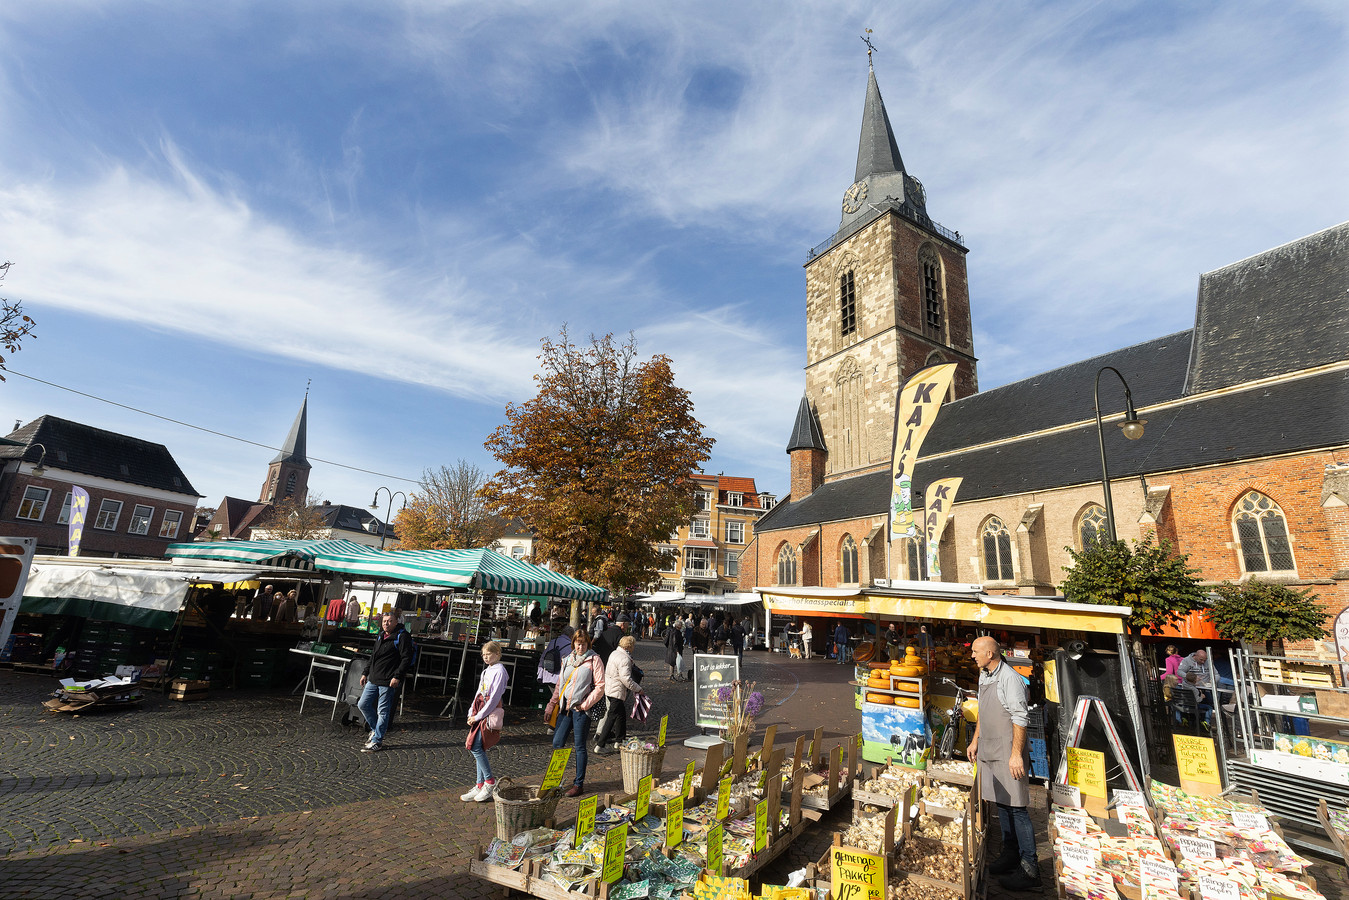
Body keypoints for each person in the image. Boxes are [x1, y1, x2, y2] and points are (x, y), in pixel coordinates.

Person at [967, 636, 1039, 891]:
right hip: (990, 749)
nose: (972, 655)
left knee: (1018, 808)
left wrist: (1016, 754)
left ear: (990, 653)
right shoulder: (985, 675)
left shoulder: (1010, 679)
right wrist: (975, 741)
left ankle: (1030, 868)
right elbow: (984, 714)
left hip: (1008, 752)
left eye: (976, 652)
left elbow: (1020, 717)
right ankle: (1010, 854)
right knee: (1002, 805)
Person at [545, 630, 605, 796]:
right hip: (565, 709)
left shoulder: (594, 660)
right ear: (573, 643)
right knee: (557, 743)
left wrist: (585, 704)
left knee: (579, 747)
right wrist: (551, 704)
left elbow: (600, 686)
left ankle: (578, 784)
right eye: (578, 643)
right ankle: (555, 780)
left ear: (588, 644)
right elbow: (560, 684)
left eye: (583, 643)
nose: (580, 646)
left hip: (581, 711)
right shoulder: (567, 659)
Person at [357, 612, 416, 753]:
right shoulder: (380, 635)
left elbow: (406, 659)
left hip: (388, 680)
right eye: (384, 621)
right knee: (363, 704)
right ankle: (375, 729)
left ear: (396, 622)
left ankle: (377, 740)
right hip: (374, 678)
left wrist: (397, 676)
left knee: (383, 711)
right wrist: (365, 672)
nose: (386, 623)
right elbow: (374, 656)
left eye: (389, 621)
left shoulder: (402, 636)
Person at [462, 641, 508, 802]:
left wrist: (479, 715)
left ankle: (489, 781)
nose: (485, 657)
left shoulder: (500, 671)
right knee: (478, 746)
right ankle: (480, 783)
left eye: (488, 654)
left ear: (497, 654)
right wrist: (471, 711)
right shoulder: (486, 671)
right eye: (484, 654)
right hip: (480, 710)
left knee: (475, 746)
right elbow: (479, 692)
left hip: (488, 712)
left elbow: (494, 697)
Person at [595, 635, 643, 754]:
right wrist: (638, 689)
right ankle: (600, 745)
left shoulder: (614, 653)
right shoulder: (624, 659)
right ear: (629, 646)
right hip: (616, 691)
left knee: (621, 716)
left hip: (610, 689)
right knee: (611, 717)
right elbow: (626, 679)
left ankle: (620, 740)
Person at [1177, 649, 1216, 724]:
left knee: (1209, 701)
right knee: (1208, 704)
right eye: (1201, 660)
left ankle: (1191, 720)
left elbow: (1216, 674)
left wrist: (1213, 680)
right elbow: (1179, 671)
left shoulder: (1185, 685)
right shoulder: (1187, 661)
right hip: (1196, 692)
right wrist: (1201, 696)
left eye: (1205, 660)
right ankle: (1205, 722)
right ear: (1196, 656)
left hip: (1201, 689)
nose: (1203, 662)